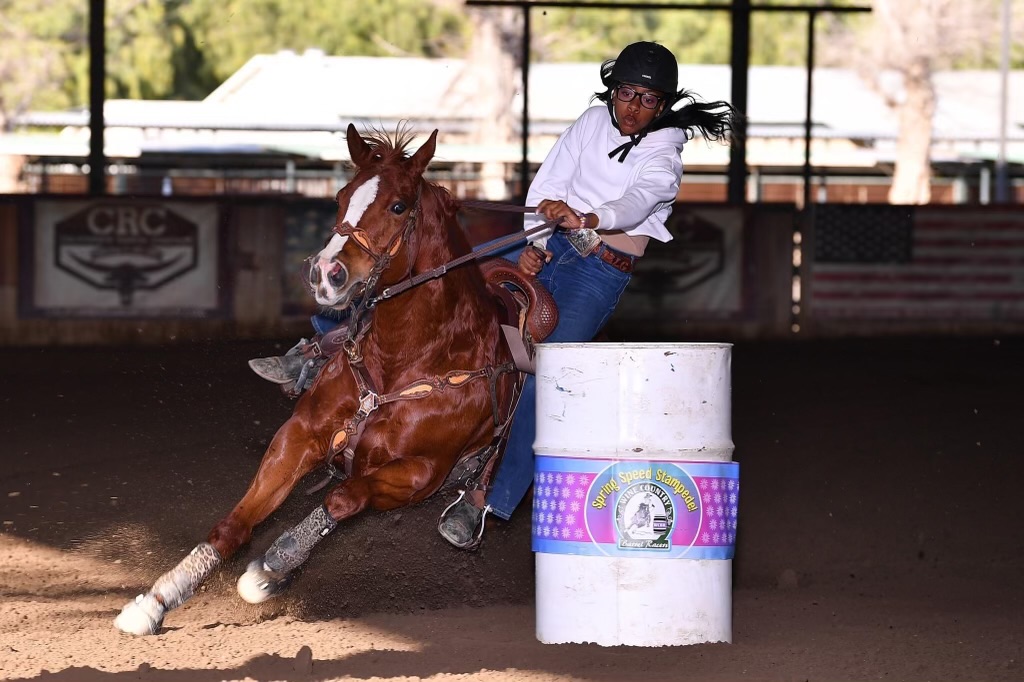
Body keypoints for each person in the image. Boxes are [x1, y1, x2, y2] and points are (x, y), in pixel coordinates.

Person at [436, 40, 740, 549]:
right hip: (554, 246)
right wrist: (534, 245)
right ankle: (324, 349)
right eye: (627, 94)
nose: (634, 107)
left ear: (662, 106)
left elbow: (641, 199)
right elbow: (547, 184)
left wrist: (592, 218)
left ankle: (486, 500)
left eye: (648, 99)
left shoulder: (667, 147)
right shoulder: (590, 122)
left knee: (547, 375)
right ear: (612, 91)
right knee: (465, 304)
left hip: (599, 272)